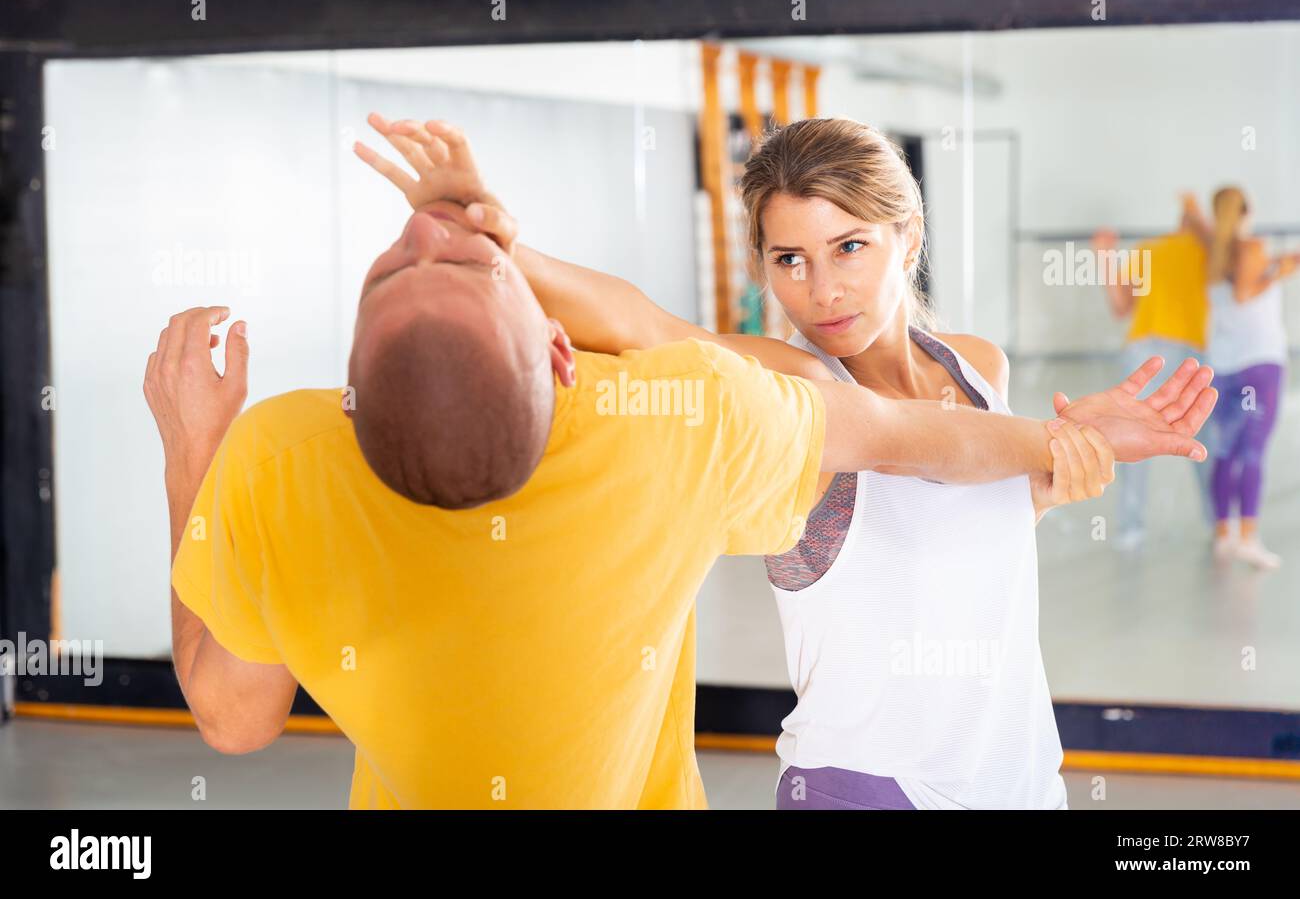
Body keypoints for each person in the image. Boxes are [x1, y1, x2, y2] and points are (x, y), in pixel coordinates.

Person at [356, 113, 1218, 809]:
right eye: (790, 260)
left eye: (850, 246)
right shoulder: (792, 381)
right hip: (864, 785)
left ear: (907, 239)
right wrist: (505, 245)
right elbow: (645, 327)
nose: (822, 289)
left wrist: (1059, 465)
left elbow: (957, 524)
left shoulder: (979, 366)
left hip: (1019, 775)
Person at [1093, 195, 1214, 550]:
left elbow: (1120, 307)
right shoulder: (1206, 252)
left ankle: (1133, 529)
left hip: (1149, 351)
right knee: (1201, 440)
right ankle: (1218, 522)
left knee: (1139, 437)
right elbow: (1123, 307)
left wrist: (1104, 255)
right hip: (1176, 352)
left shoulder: (1190, 251)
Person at [1202, 186, 1299, 569]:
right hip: (1260, 364)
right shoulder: (1253, 247)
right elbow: (1245, 291)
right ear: (1247, 210)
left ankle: (1224, 535)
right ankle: (1249, 538)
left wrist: (1274, 266)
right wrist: (1280, 272)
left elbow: (1237, 282)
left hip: (1224, 367)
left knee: (1226, 452)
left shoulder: (1213, 251)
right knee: (1254, 452)